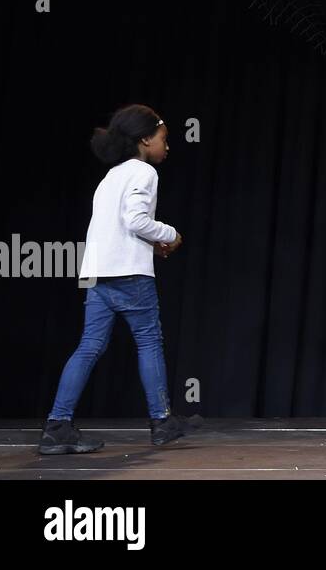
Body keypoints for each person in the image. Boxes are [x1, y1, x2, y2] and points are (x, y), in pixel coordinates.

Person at [39, 105, 200, 455]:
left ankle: (57, 426)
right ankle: (162, 421)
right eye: (163, 139)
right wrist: (170, 234)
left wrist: (152, 246)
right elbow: (135, 219)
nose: (167, 146)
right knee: (148, 341)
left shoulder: (111, 177)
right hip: (129, 275)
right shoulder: (143, 172)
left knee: (89, 346)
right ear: (145, 140)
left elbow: (111, 228)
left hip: (98, 272)